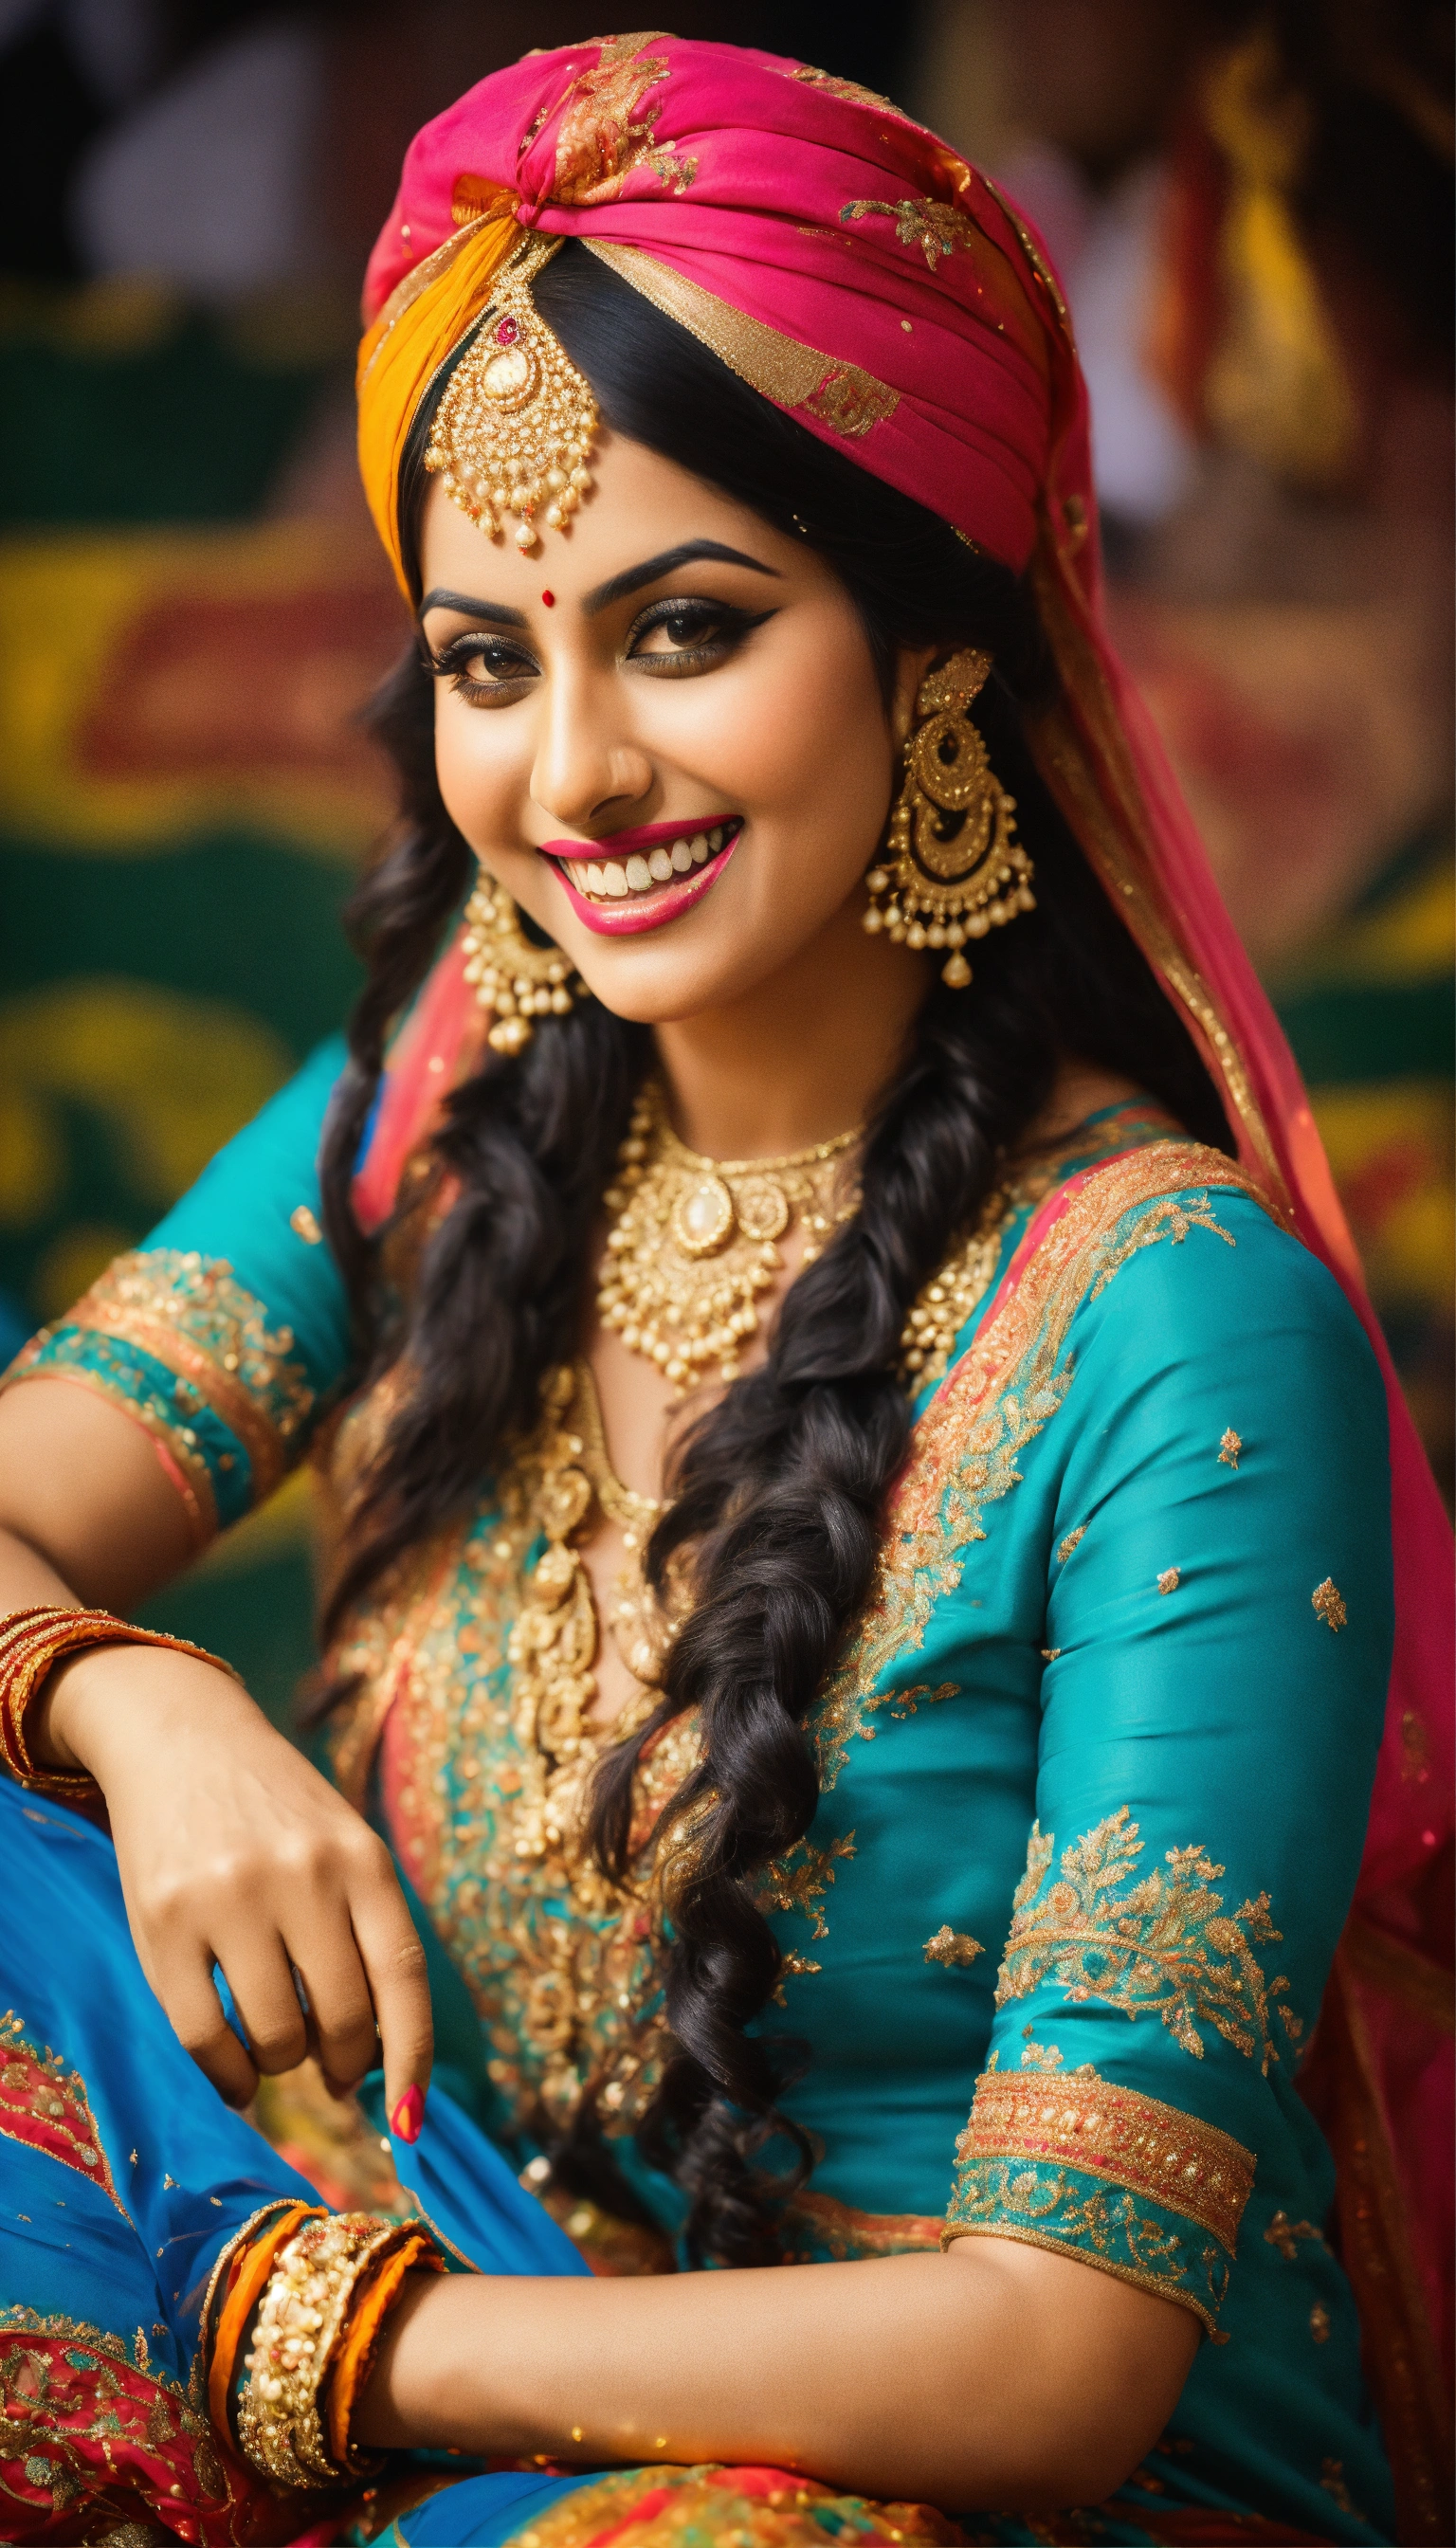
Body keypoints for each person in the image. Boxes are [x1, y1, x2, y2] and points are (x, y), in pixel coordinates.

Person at [0, 34, 1449, 2548]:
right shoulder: (439, 1127)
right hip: (446, 2364)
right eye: (486, 661)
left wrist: (352, 2347)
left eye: (683, 630)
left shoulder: (1171, 1328)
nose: (570, 776)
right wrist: (125, 1697)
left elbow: (1057, 2358)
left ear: (935, 660)